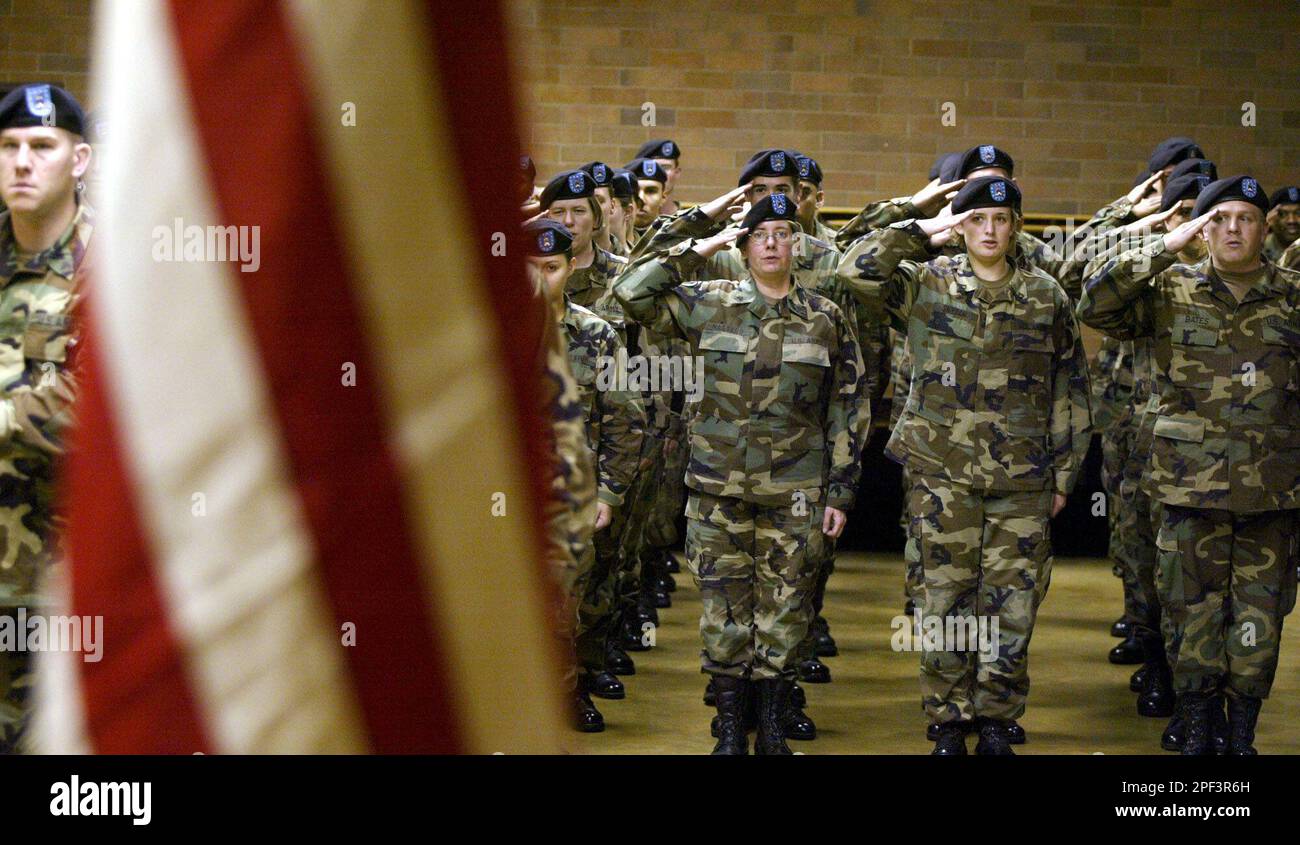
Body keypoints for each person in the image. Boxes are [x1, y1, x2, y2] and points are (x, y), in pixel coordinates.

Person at [838, 177, 1092, 755]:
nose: (990, 231)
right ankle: (950, 715)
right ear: (961, 227)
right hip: (940, 473)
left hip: (1023, 478)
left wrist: (1065, 475)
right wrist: (922, 229)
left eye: (1001, 219)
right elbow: (853, 271)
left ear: (1016, 227)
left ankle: (998, 716)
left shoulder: (1044, 296)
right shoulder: (927, 284)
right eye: (977, 220)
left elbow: (1069, 388)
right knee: (942, 596)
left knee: (1015, 598)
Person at [615, 194, 868, 754]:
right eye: (761, 234)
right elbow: (629, 292)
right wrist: (697, 242)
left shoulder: (825, 318)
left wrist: (841, 492)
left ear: (796, 244)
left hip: (795, 493)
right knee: (724, 613)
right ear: (744, 245)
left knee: (784, 612)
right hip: (716, 488)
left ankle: (772, 728)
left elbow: (848, 407)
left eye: (783, 232)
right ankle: (730, 727)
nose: (773, 243)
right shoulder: (710, 303)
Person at [1079, 175, 1300, 755]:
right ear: (1202, 229)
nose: (1233, 228)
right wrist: (1162, 246)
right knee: (1190, 619)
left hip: (1271, 495)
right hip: (1185, 491)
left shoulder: (1293, 296)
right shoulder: (1168, 290)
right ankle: (1198, 730)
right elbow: (1094, 302)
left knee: (1260, 623)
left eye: (1246, 218)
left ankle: (1242, 735)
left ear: (1264, 227)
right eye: (1219, 218)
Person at [0, 83, 95, 753]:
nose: (22, 163)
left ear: (80, 159)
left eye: (41, 146)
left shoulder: (114, 266)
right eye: (7, 148)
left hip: (58, 586)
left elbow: (98, 402)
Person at [523, 218, 647, 722]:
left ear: (571, 267)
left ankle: (563, 698)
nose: (537, 280)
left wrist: (610, 494)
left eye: (550, 268)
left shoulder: (596, 335)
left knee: (561, 608)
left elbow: (627, 420)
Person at [633, 139, 682, 216]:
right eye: (655, 167)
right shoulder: (626, 221)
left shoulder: (690, 220)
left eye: (666, 167)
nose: (661, 172)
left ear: (677, 173)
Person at [1263, 185, 1300, 262]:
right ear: (1270, 218)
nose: (1292, 220)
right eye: (1283, 214)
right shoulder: (1258, 248)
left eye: (1298, 213)